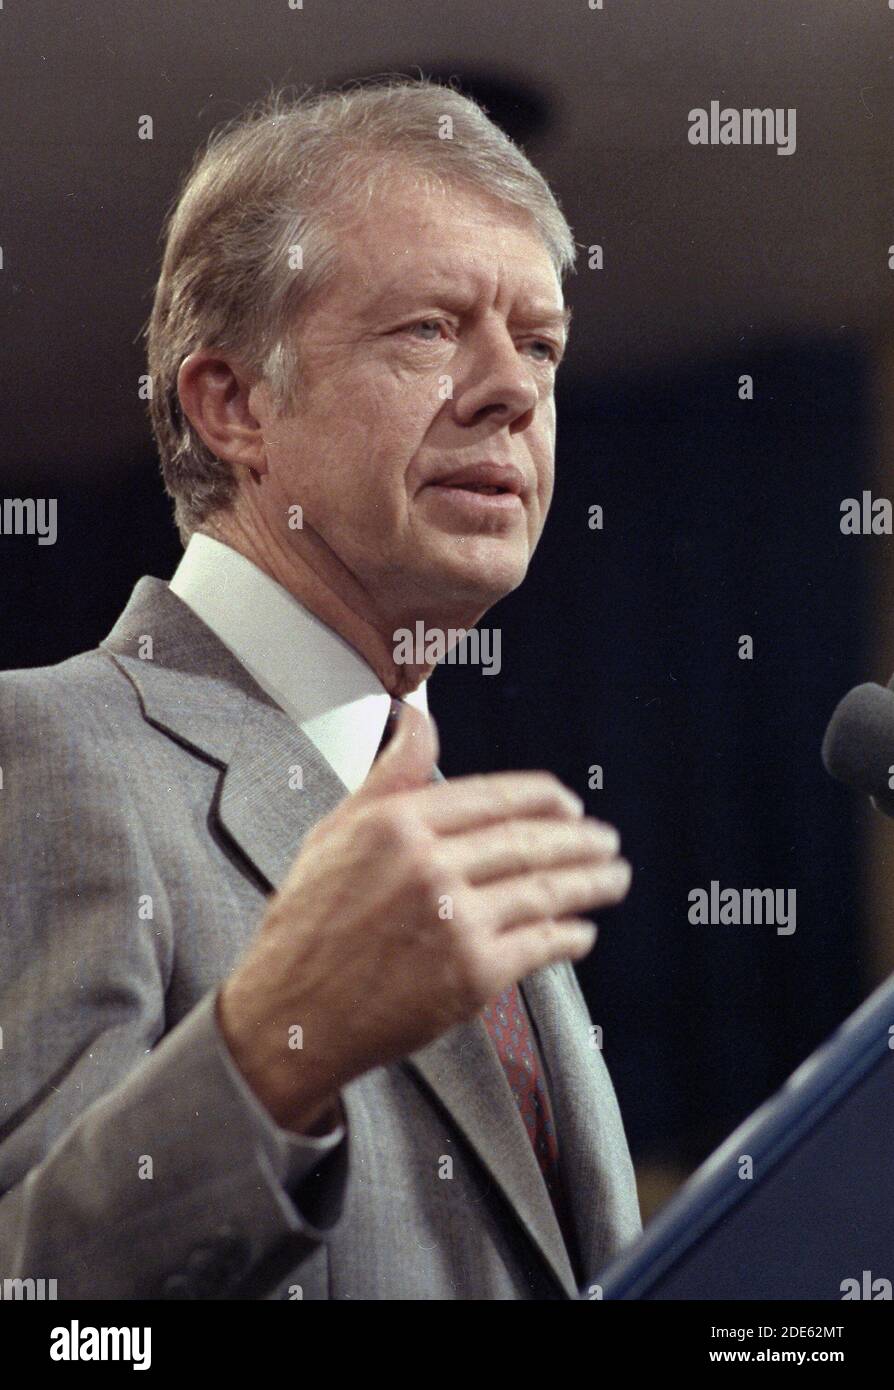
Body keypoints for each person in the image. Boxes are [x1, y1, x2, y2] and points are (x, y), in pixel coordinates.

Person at [0, 78, 640, 1300]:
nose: (515, 390)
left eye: (542, 343)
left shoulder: (442, 835)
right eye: (431, 329)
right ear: (234, 403)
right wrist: (265, 1057)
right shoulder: (46, 753)